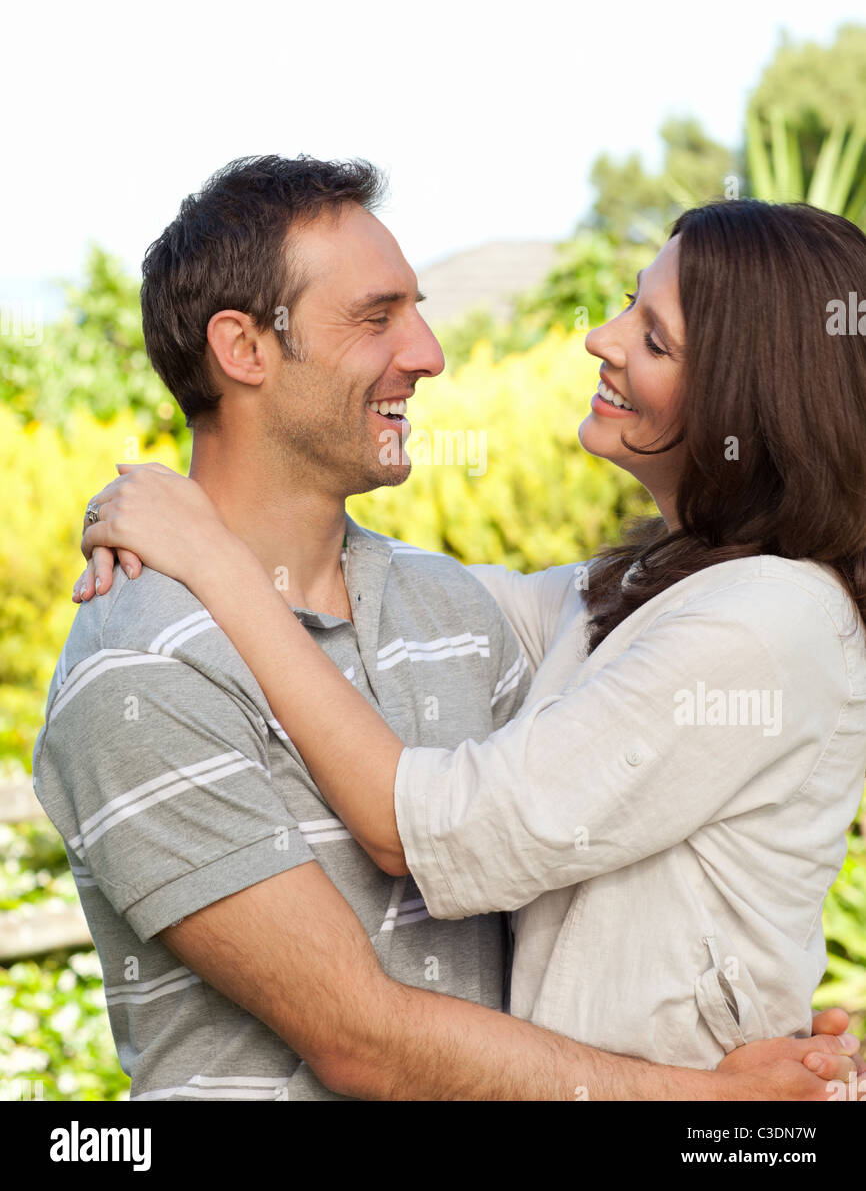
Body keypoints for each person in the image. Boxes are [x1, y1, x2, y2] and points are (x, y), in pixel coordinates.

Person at [42, 160, 858, 1101]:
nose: (430, 354)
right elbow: (363, 1040)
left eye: (655, 336)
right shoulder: (139, 659)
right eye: (377, 316)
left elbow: (459, 831)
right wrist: (725, 1100)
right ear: (244, 348)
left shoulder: (465, 619)